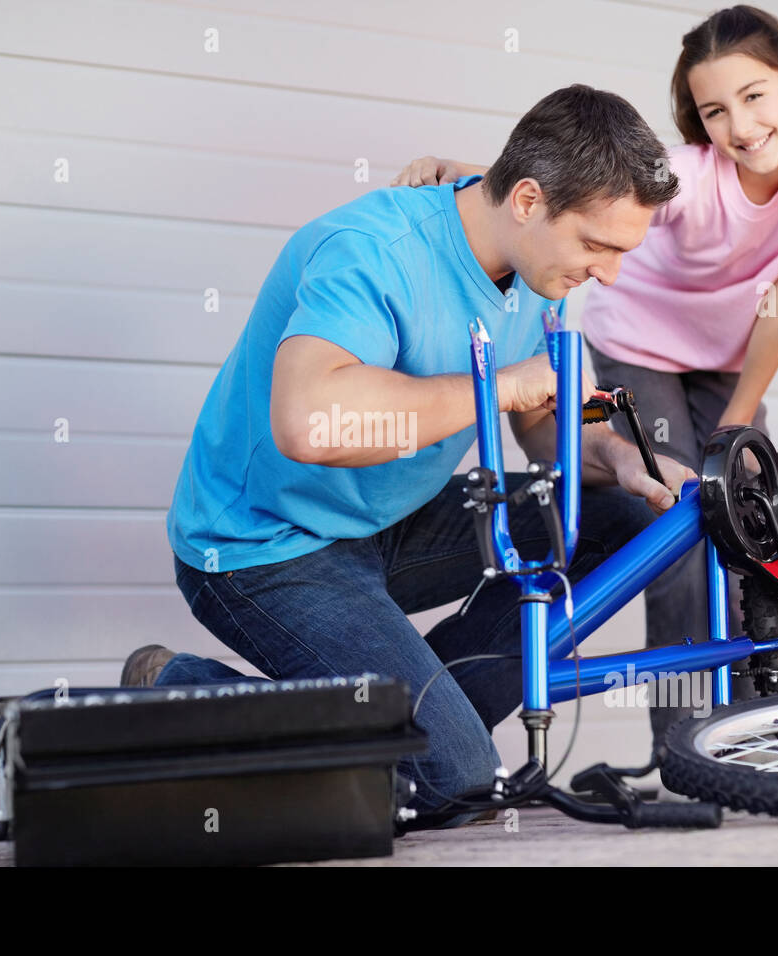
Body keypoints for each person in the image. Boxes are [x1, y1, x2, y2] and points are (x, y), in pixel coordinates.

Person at [126, 84, 691, 829]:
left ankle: (428, 708)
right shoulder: (373, 252)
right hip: (266, 545)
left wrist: (621, 460)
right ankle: (176, 681)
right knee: (458, 781)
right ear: (527, 201)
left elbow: (537, 428)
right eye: (598, 246)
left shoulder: (536, 268)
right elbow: (308, 424)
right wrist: (502, 384)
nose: (610, 274)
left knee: (614, 516)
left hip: (390, 521)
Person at [390, 4, 778, 746]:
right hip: (642, 339)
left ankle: (764, 726)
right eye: (714, 111)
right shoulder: (694, 178)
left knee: (749, 521)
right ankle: (689, 745)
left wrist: (740, 416)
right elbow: (574, 189)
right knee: (678, 521)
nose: (740, 126)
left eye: (754, 97)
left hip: (732, 352)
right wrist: (465, 176)